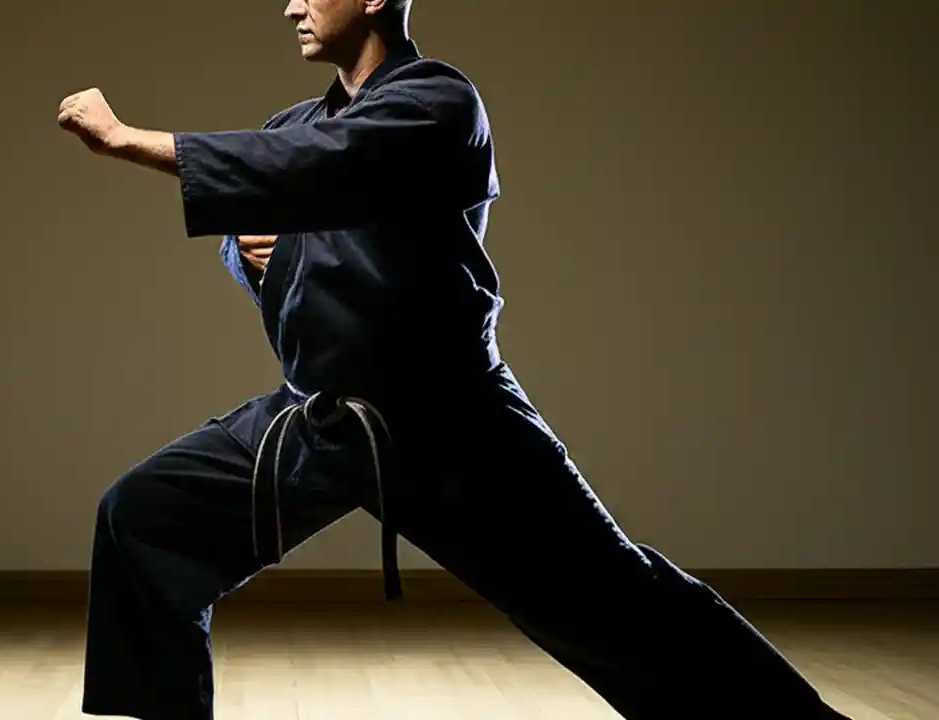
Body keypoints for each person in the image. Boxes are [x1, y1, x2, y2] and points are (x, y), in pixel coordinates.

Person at [57, 1, 852, 718]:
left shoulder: (438, 102)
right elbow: (271, 225)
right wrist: (247, 251)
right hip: (321, 418)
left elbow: (327, 169)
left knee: (620, 605)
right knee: (142, 519)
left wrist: (130, 141)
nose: (291, 5)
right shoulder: (295, 121)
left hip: (451, 427)